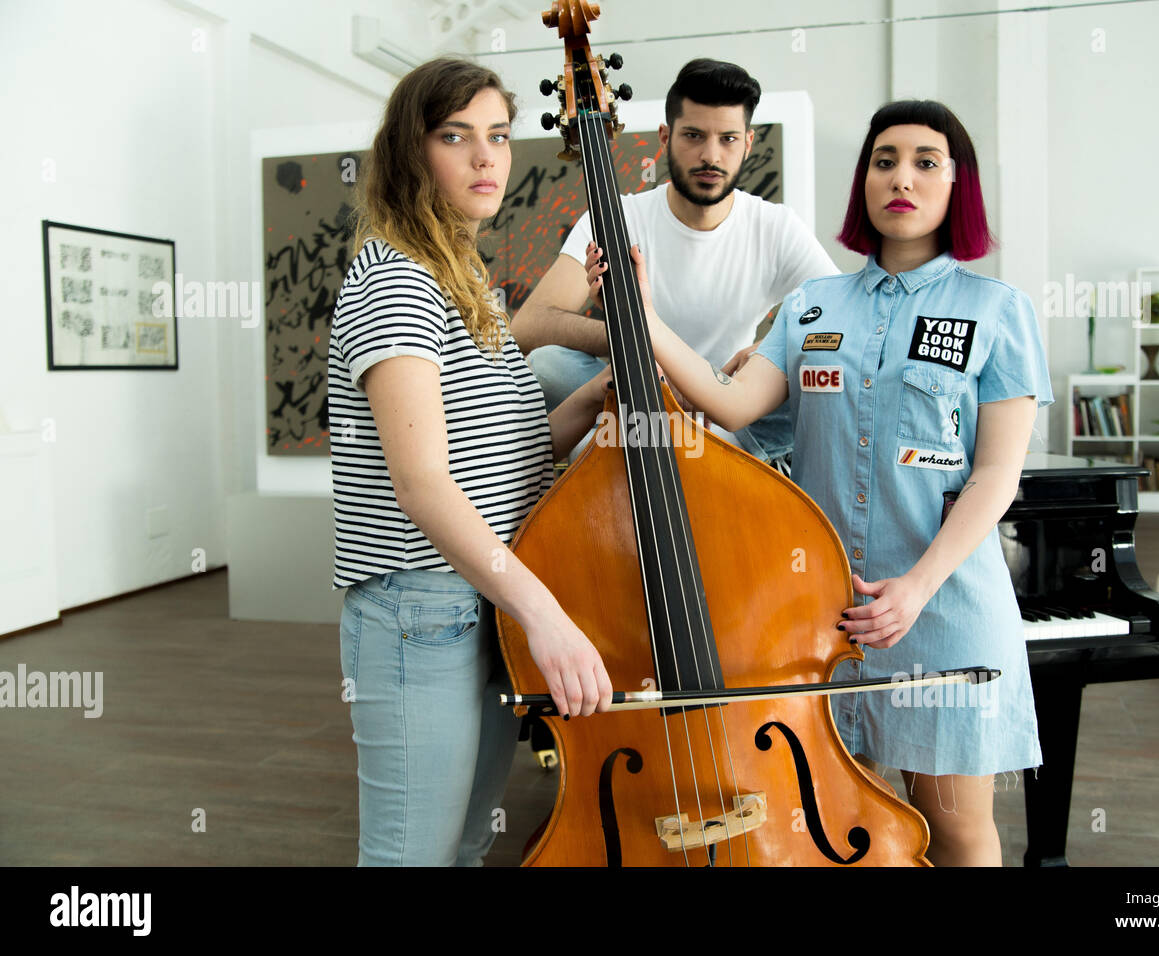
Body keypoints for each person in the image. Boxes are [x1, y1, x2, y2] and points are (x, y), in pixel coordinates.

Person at [585, 99, 1053, 867]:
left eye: (925, 161)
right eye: (884, 160)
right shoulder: (811, 307)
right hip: (824, 616)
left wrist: (917, 587)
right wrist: (639, 310)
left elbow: (998, 475)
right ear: (863, 181)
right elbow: (729, 401)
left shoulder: (997, 311)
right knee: (845, 818)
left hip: (942, 609)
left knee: (959, 829)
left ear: (956, 186)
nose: (900, 176)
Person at [328, 58, 613, 867]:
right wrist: (547, 616)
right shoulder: (397, 281)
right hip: (421, 608)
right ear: (411, 153)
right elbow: (421, 484)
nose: (487, 157)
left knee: (459, 847)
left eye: (497, 136)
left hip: (480, 595)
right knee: (411, 857)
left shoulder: (468, 283)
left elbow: (505, 460)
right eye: (456, 136)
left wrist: (590, 403)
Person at [512, 57, 837, 465]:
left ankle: (676, 451)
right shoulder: (620, 216)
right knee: (546, 365)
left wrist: (765, 350)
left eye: (728, 139)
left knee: (811, 378)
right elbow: (528, 326)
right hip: (638, 394)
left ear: (748, 143)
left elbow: (842, 322)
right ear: (665, 137)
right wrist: (632, 340)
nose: (711, 155)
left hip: (721, 408)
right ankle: (652, 445)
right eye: (694, 136)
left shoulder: (774, 225)